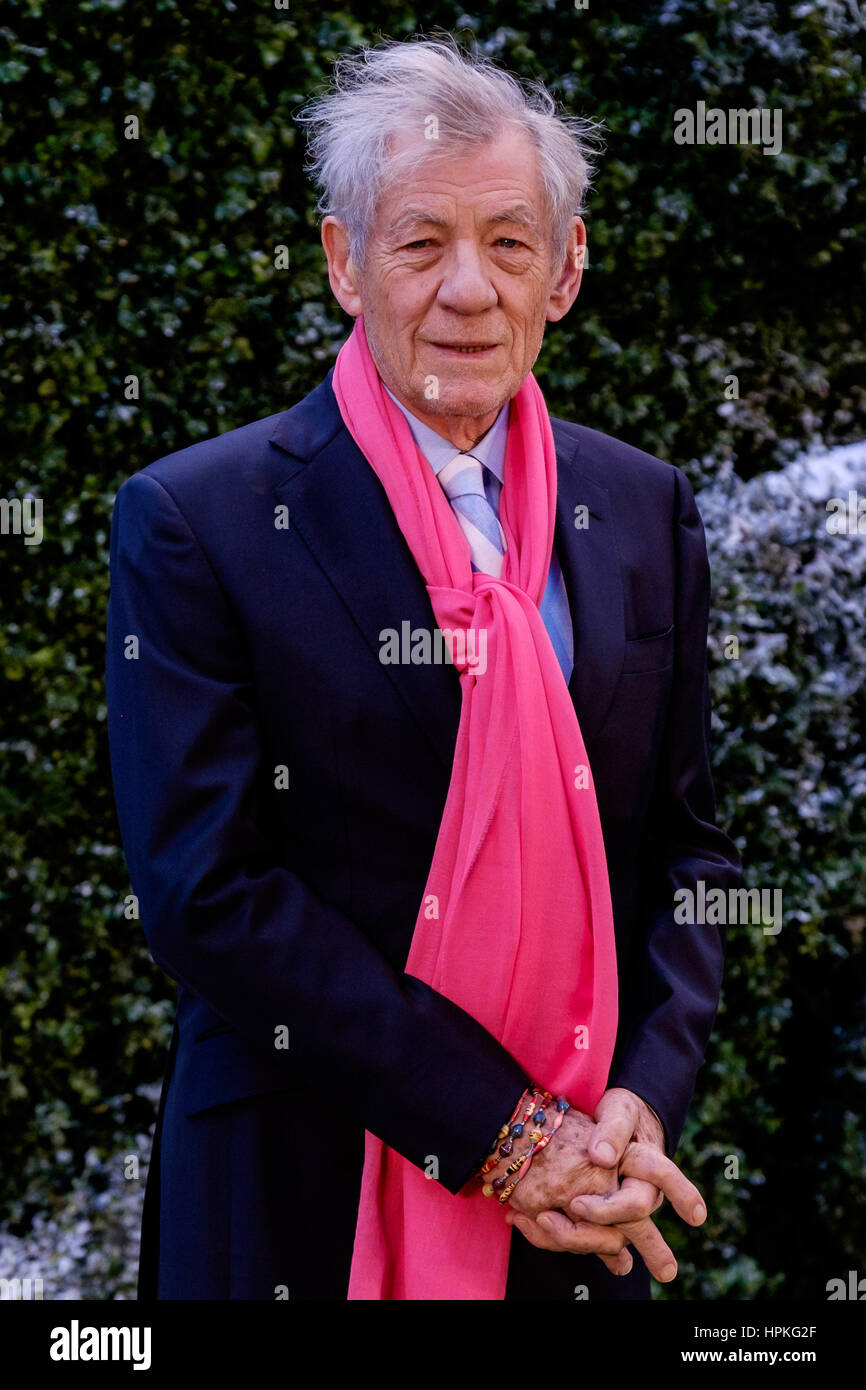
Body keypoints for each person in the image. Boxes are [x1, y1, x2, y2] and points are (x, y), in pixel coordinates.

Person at [106, 36, 742, 1301]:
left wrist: (635, 1102)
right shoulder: (199, 516)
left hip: (583, 1196)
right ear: (344, 262)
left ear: (563, 271)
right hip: (302, 1194)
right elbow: (207, 891)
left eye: (508, 243)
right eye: (418, 243)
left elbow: (687, 852)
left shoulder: (641, 505)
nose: (467, 289)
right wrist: (507, 1138)